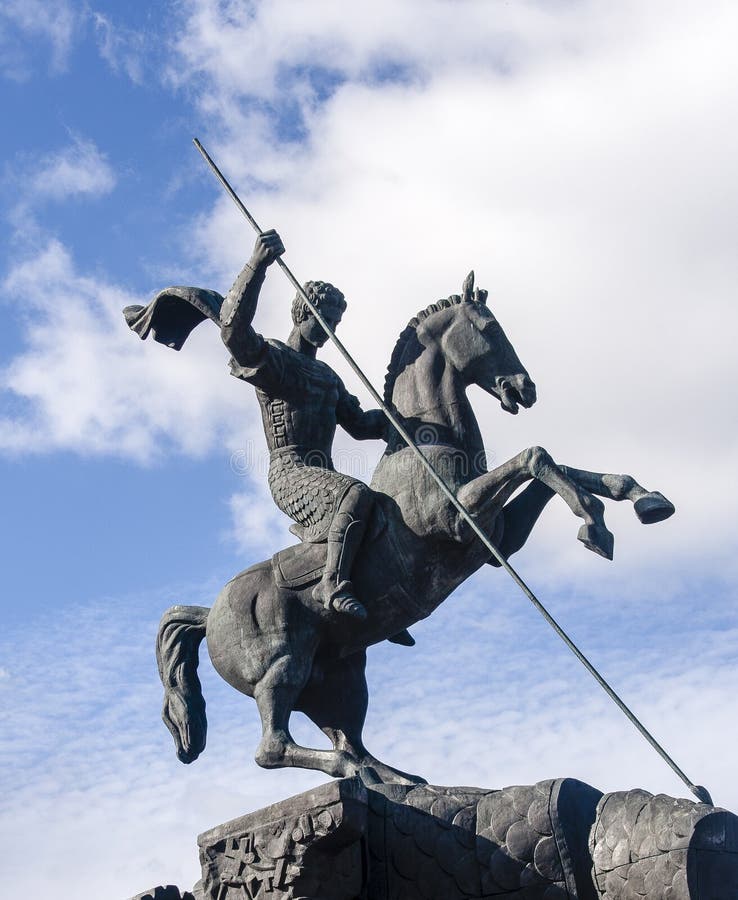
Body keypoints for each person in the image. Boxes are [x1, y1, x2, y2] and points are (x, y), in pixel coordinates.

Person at [220, 229, 385, 622]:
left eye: (336, 322)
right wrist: (256, 266)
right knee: (356, 496)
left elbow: (361, 425)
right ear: (302, 313)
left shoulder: (328, 376)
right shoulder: (275, 360)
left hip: (322, 473)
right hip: (290, 472)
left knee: (382, 510)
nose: (330, 329)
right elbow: (233, 333)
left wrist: (404, 421)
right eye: (324, 319)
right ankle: (332, 585)